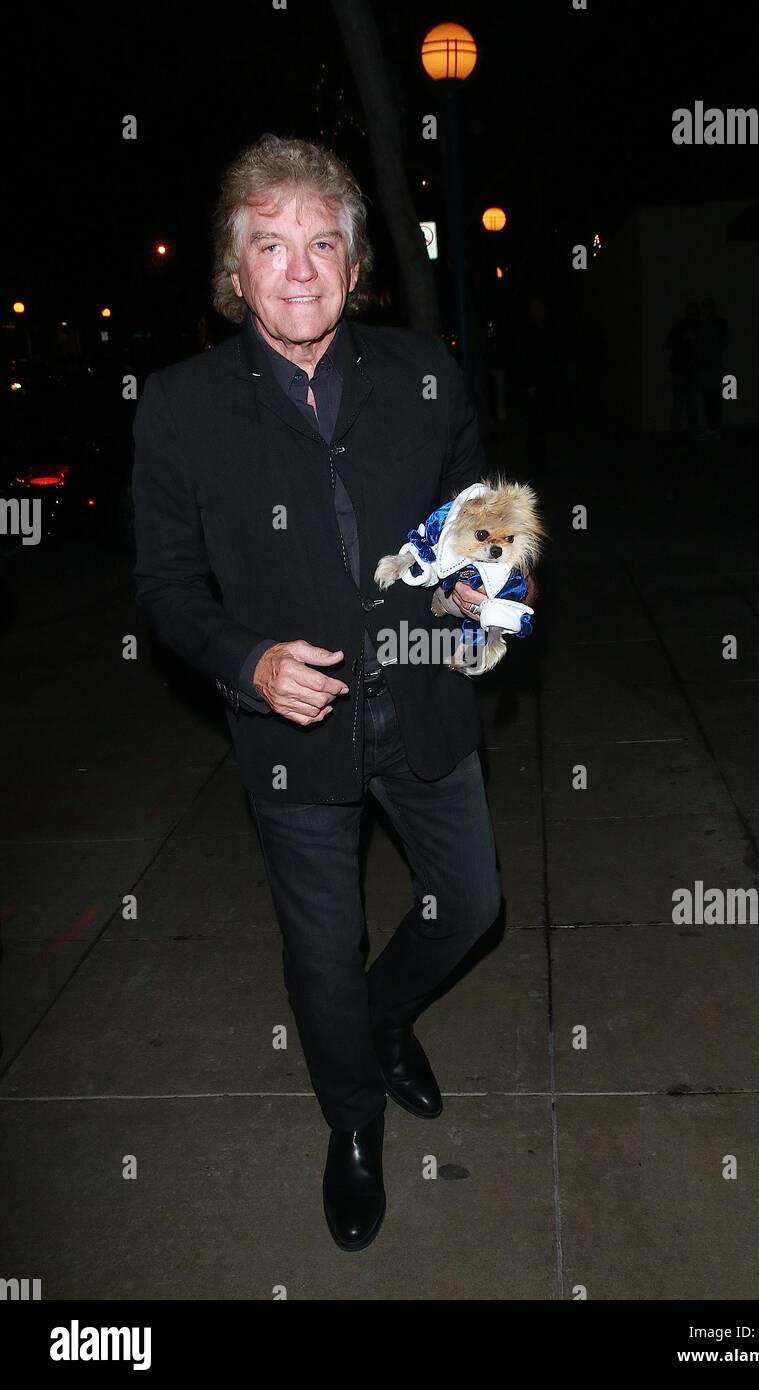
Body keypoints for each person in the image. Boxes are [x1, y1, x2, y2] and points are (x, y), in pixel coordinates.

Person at [131, 134, 537, 1253]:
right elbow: (164, 585)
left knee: (471, 904)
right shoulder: (181, 407)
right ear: (234, 270)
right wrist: (243, 660)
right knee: (317, 952)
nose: (300, 268)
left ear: (357, 266)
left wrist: (493, 574)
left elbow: (473, 520)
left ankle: (384, 1012)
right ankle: (351, 1123)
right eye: (272, 245)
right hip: (291, 736)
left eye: (322, 243)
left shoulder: (423, 373)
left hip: (424, 707)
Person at [693, 296, 727, 440]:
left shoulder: (708, 325)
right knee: (713, 399)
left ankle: (713, 428)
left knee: (710, 398)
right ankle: (714, 428)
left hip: (709, 367)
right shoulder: (718, 324)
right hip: (713, 366)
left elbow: (707, 346)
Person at [664, 301, 700, 434]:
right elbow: (668, 344)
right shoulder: (680, 326)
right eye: (690, 311)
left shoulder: (699, 327)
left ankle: (689, 431)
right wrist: (682, 339)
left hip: (691, 369)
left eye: (693, 312)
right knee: (680, 402)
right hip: (681, 369)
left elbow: (704, 347)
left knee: (690, 402)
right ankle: (678, 431)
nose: (691, 314)